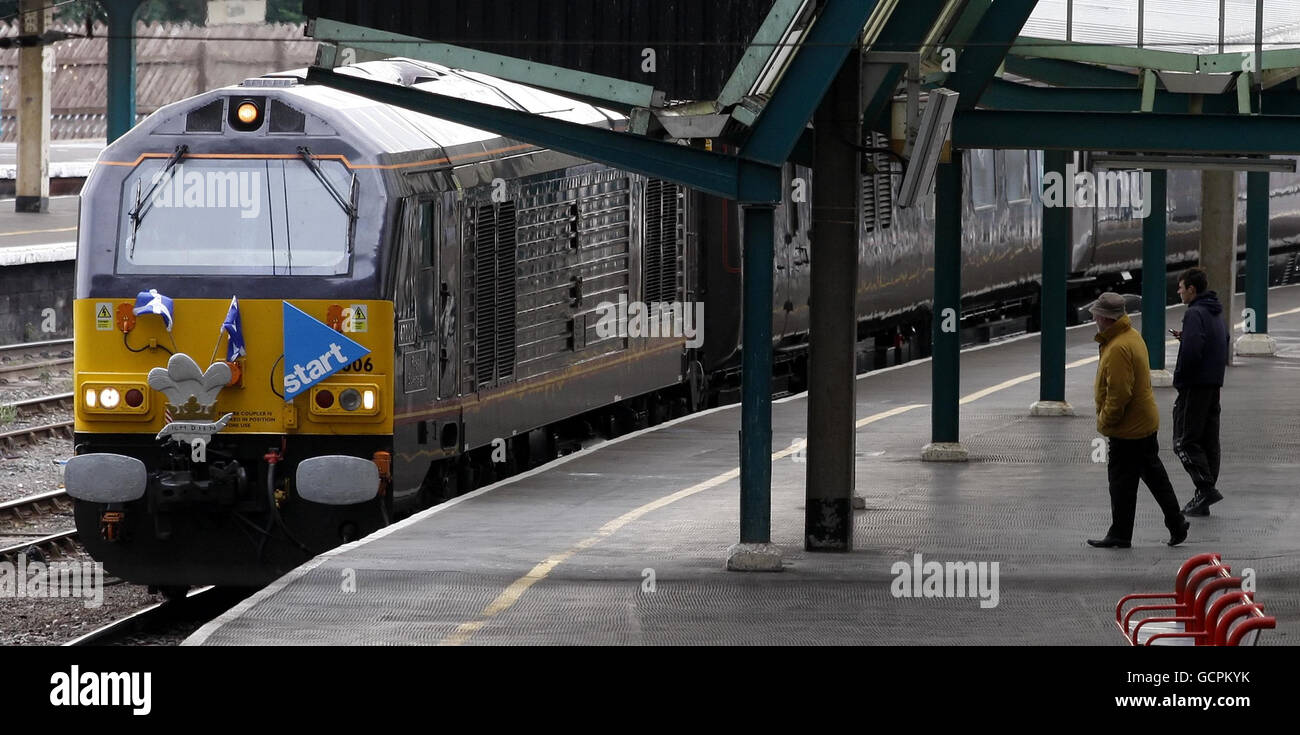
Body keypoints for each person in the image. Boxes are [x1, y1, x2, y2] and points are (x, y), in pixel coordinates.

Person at [1086, 292, 1189, 548]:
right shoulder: (1129, 336)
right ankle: (1176, 522)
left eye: (1096, 314)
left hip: (1128, 427)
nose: (1094, 317)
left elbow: (1120, 393)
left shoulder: (1119, 347)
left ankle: (1121, 534)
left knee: (1121, 482)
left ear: (1105, 318)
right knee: (1153, 475)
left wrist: (1106, 421)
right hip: (1142, 422)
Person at [1170, 267, 1229, 516]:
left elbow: (1193, 352)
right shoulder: (1214, 311)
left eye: (1181, 287)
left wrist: (1181, 379)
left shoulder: (1194, 313)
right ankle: (1205, 494)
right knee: (1208, 440)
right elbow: (1221, 340)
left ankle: (1205, 489)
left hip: (1194, 386)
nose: (1179, 291)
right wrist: (1189, 338)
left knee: (1184, 440)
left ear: (1192, 290)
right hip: (1213, 384)